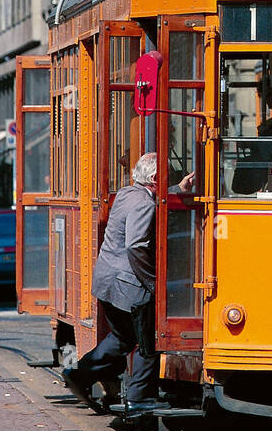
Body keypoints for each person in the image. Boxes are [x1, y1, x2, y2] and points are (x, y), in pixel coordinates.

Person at [62, 153, 194, 415]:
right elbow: (136, 246)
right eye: (167, 175)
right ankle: (139, 398)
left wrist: (178, 189)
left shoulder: (127, 194)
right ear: (156, 179)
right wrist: (152, 284)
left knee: (124, 337)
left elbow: (151, 198)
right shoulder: (144, 205)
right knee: (151, 339)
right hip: (129, 284)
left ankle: (79, 376)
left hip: (108, 281)